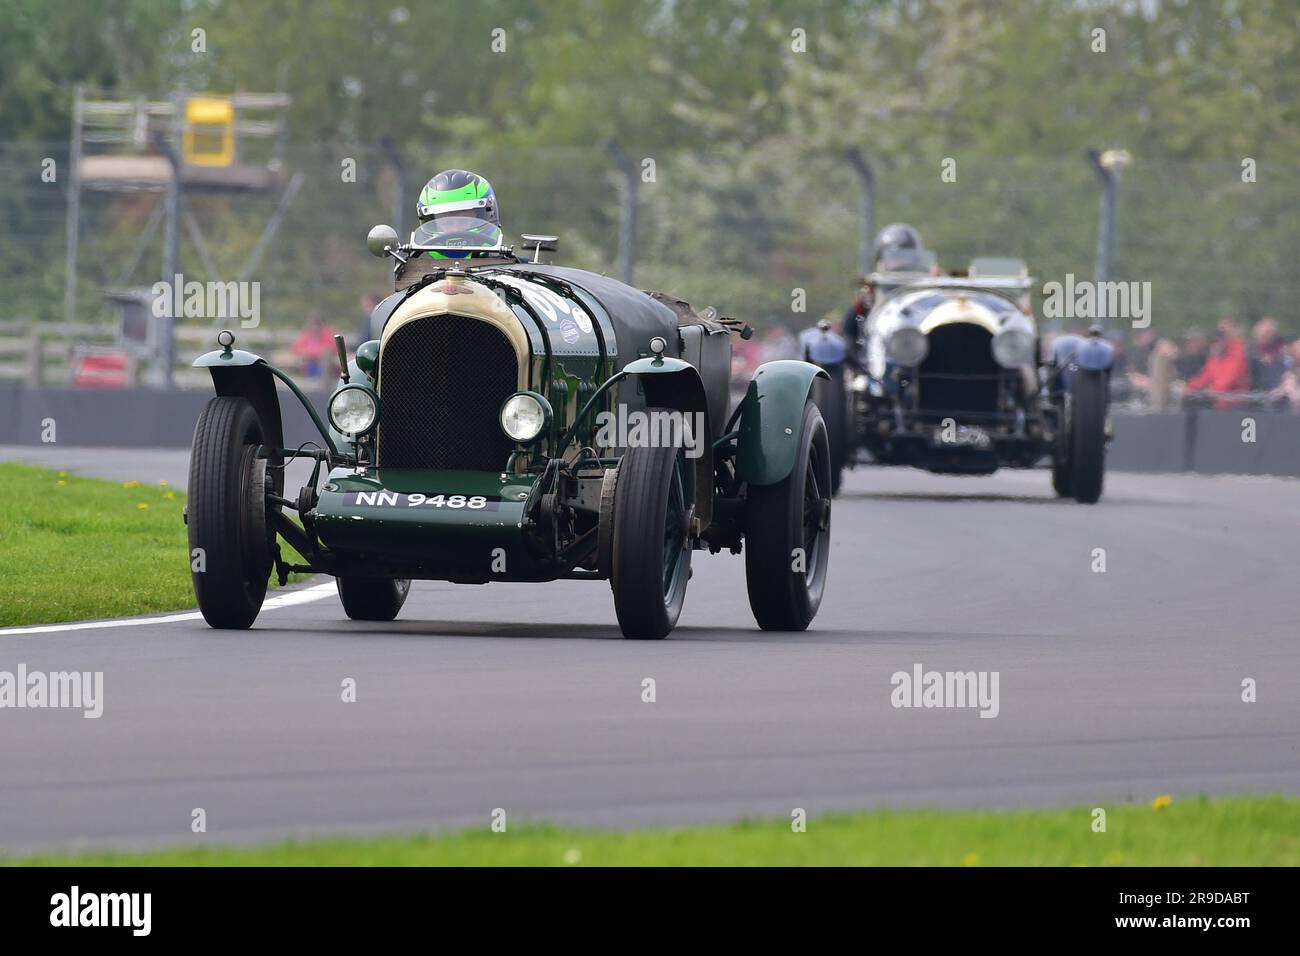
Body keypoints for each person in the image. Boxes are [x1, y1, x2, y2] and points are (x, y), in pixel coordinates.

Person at [1184, 319, 1250, 409]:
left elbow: (1228, 381)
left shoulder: (1239, 352)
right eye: (1219, 332)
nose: (1219, 337)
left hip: (1234, 404)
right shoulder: (1218, 354)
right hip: (1218, 402)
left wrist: (1210, 389)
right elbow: (1206, 376)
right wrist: (1190, 387)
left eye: (1224, 333)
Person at [291, 313, 338, 382]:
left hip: (325, 365)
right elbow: (296, 348)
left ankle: (323, 383)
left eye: (317, 324)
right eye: (313, 324)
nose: (315, 327)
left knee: (325, 360)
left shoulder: (328, 334)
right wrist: (309, 354)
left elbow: (331, 349)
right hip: (309, 363)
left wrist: (314, 353)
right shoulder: (306, 334)